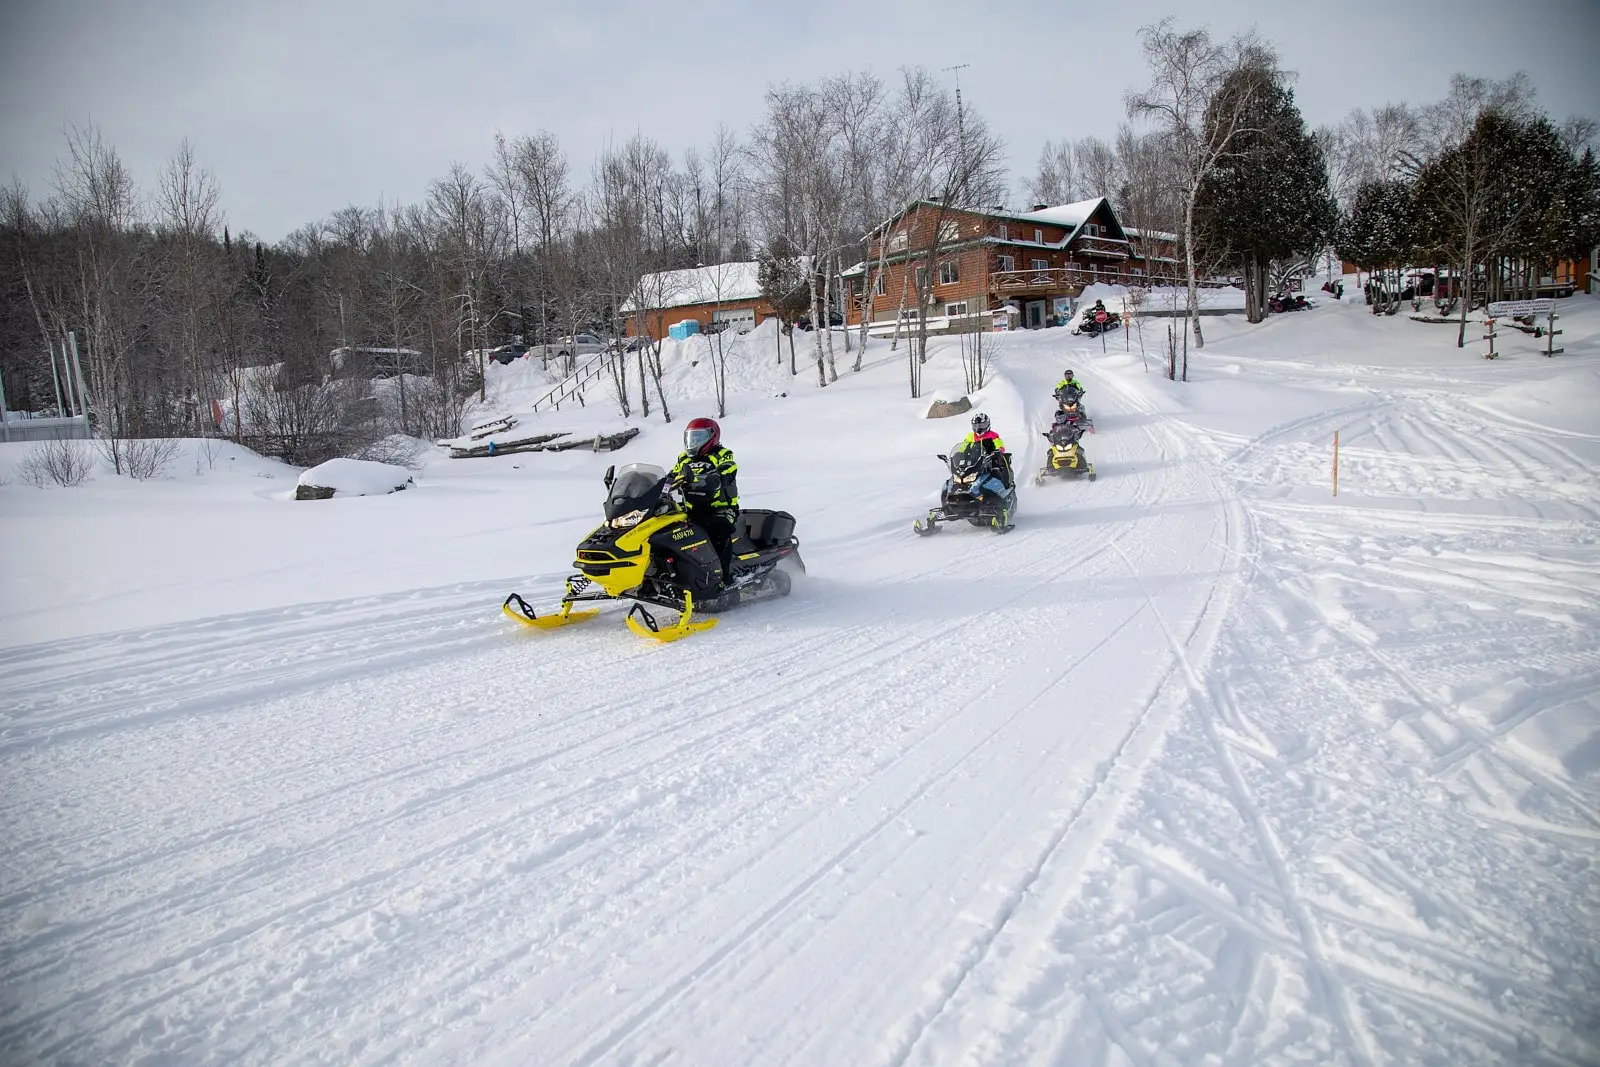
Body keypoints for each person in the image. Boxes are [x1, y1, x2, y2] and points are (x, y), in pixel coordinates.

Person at [670, 416, 755, 586]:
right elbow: (672, 476)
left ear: (712, 436)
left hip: (721, 508)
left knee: (719, 529)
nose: (694, 441)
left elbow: (728, 466)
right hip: (692, 509)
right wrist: (660, 486)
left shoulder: (721, 454)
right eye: (691, 437)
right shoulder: (684, 459)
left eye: (699, 437)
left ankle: (724, 578)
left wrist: (717, 477)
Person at [961, 412, 1013, 496]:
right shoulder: (970, 436)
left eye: (981, 425)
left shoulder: (993, 435)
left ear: (987, 424)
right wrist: (960, 454)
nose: (978, 428)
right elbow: (963, 447)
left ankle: (1001, 493)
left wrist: (998, 450)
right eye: (976, 426)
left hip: (990, 459)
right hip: (974, 461)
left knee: (998, 470)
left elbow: (1000, 445)